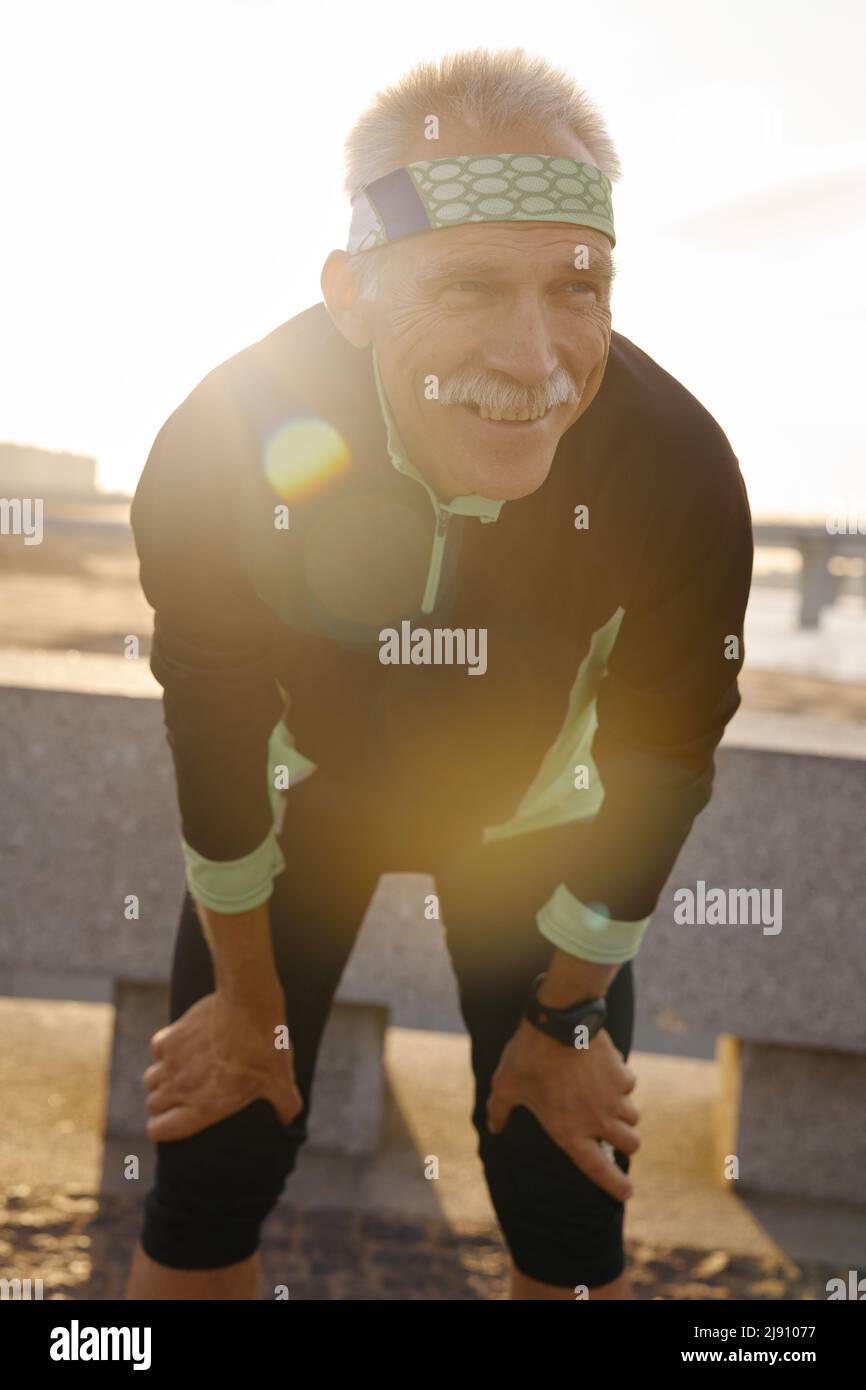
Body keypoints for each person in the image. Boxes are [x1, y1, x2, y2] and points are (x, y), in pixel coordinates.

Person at [125, 47, 753, 1301]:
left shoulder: (674, 468)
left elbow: (662, 756)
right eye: (470, 283)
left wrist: (569, 1020)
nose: (533, 361)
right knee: (215, 1152)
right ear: (352, 291)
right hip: (308, 805)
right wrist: (245, 1002)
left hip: (535, 825)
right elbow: (216, 719)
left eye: (575, 286)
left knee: (562, 1185)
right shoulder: (226, 434)